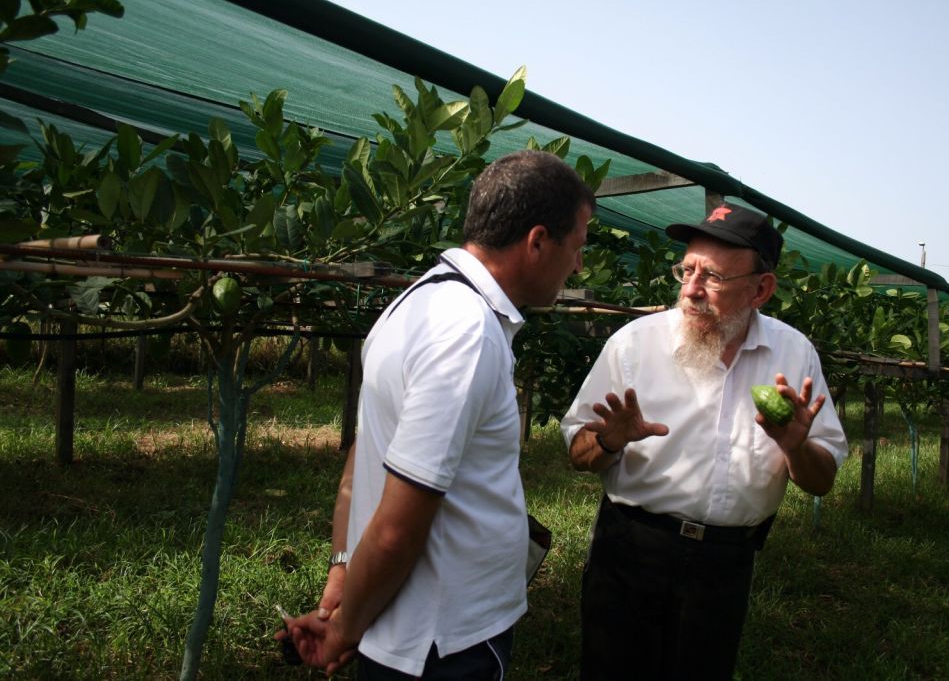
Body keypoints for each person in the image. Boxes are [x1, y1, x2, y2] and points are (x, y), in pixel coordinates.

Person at [278, 149, 595, 679]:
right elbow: (398, 529)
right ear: (538, 241)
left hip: (411, 628)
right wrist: (344, 629)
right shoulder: (466, 330)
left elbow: (365, 456)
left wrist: (342, 575)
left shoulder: (416, 300)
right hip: (446, 642)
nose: (579, 265)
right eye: (578, 247)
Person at [560, 202, 849, 680]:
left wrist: (797, 446)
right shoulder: (634, 345)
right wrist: (608, 441)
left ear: (762, 289)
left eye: (712, 278)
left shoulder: (794, 355)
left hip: (726, 563)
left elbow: (822, 481)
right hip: (631, 550)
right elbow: (578, 452)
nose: (691, 290)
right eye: (686, 270)